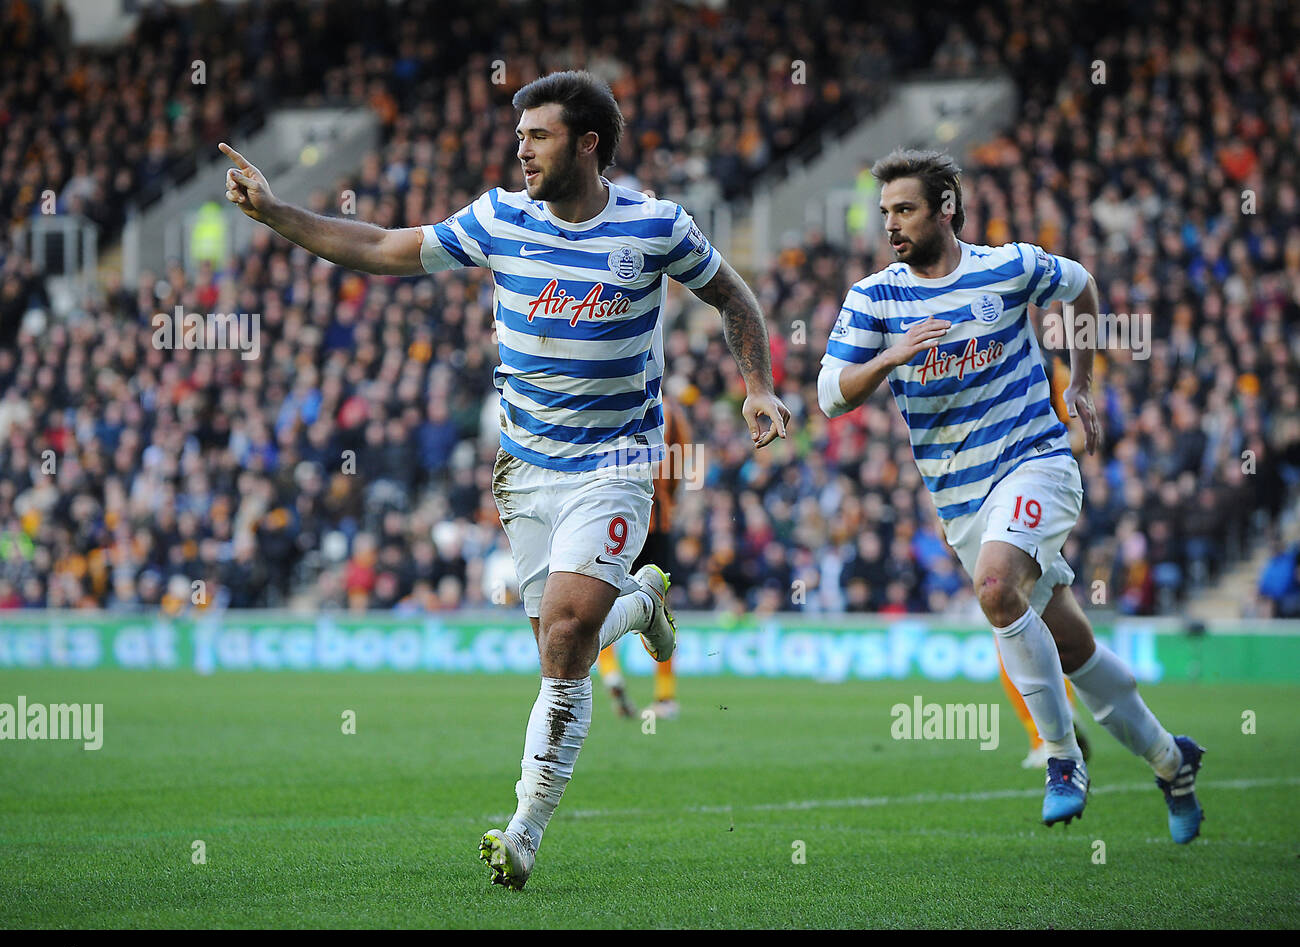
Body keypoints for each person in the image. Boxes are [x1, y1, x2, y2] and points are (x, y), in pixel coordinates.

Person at [220, 70, 790, 888]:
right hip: (524, 468)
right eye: (519, 135)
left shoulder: (656, 227)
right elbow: (383, 246)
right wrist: (276, 213)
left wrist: (759, 384)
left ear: (589, 144)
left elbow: (731, 294)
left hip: (618, 461)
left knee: (563, 640)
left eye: (539, 136)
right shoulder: (497, 218)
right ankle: (644, 603)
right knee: (564, 647)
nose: (520, 149)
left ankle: (523, 829)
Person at [818, 148, 1204, 842]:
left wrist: (1080, 382)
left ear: (946, 208)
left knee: (996, 589)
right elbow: (827, 396)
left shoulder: (1009, 267)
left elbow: (1082, 287)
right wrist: (888, 357)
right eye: (885, 213)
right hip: (961, 502)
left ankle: (1062, 758)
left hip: (1037, 462)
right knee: (1075, 647)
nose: (892, 225)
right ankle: (1172, 760)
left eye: (904, 209)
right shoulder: (875, 297)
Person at [598, 392, 692, 720]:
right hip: (658, 521)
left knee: (603, 599)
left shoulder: (613, 400)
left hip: (618, 521)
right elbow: (681, 466)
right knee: (660, 606)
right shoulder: (674, 413)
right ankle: (665, 698)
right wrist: (667, 499)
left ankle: (610, 672)